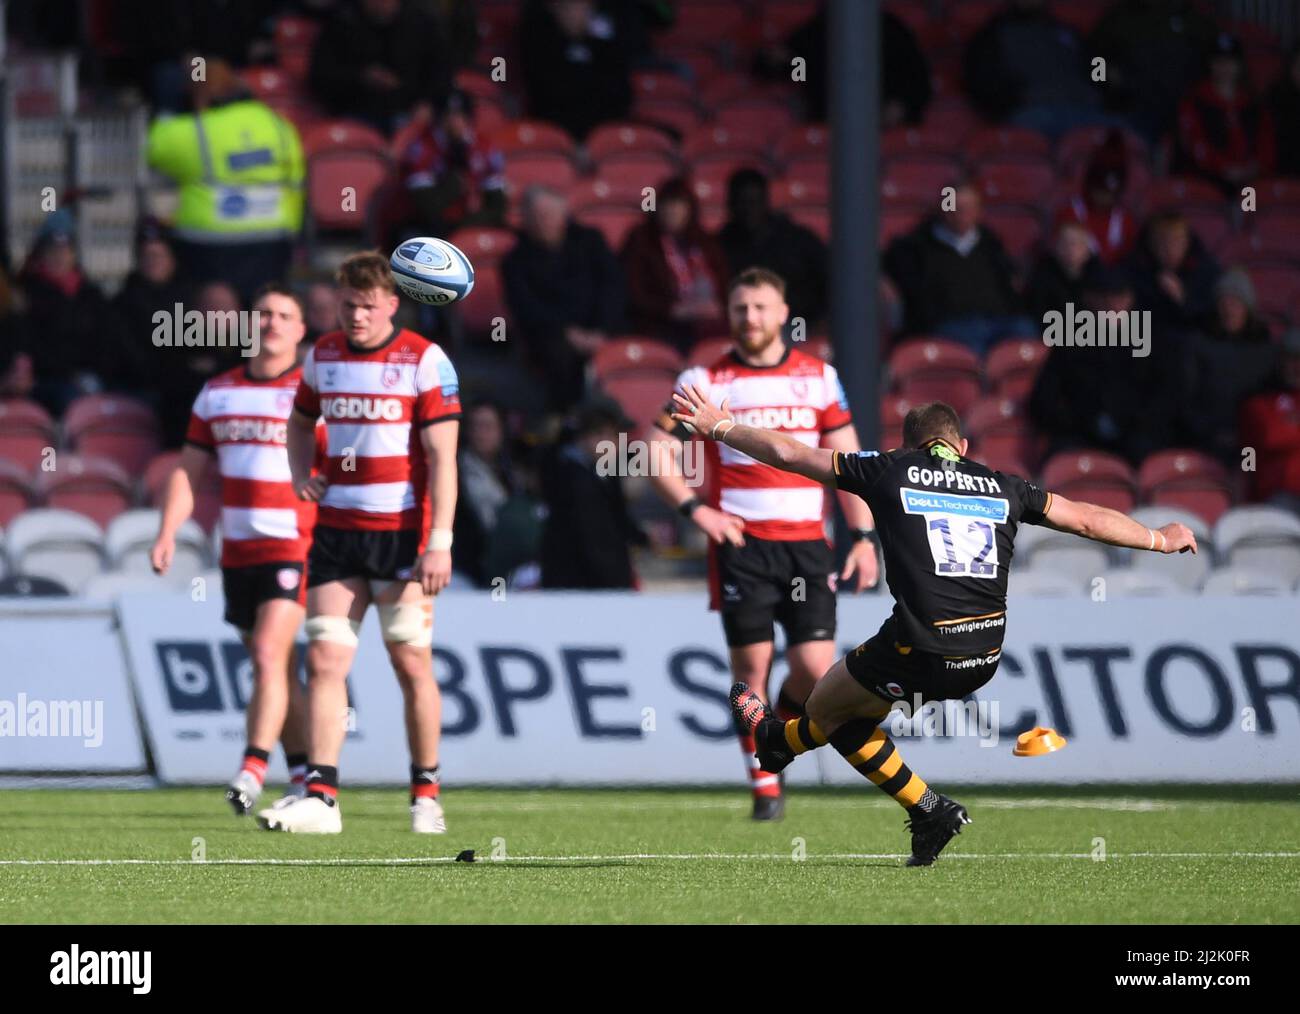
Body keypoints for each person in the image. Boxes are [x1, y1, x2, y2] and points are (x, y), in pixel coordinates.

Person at [668, 393, 1197, 865]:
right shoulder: (1004, 486)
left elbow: (790, 455)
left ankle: (790, 749)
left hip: (921, 646)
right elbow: (1084, 518)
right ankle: (905, 802)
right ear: (962, 445)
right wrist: (1158, 538)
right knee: (848, 716)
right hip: (984, 657)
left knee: (825, 708)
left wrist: (720, 428)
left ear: (909, 445)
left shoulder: (888, 470)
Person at [648, 267, 879, 821]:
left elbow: (848, 464)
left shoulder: (818, 378)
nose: (749, 317)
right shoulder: (707, 379)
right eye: (739, 308)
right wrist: (695, 509)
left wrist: (865, 536)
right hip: (743, 546)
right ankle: (764, 784)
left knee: (813, 670)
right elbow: (655, 447)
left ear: (782, 313)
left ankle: (773, 735)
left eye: (760, 307)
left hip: (808, 546)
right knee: (750, 670)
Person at [264, 251, 461, 834]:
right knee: (324, 659)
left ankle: (425, 793)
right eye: (348, 304)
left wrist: (441, 540)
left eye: (368, 306)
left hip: (401, 536)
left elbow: (443, 458)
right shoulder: (322, 355)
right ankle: (322, 797)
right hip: (336, 533)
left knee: (409, 662)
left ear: (393, 305)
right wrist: (302, 475)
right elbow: (299, 423)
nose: (356, 316)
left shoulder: (425, 361)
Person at [149, 285, 320, 816]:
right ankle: (305, 778)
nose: (271, 322)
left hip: (294, 545)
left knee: (269, 655)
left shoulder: (313, 395)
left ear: (300, 330)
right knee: (276, 666)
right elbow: (190, 471)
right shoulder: (218, 392)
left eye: (283, 314)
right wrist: (167, 531)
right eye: (263, 313)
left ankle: (251, 771)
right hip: (237, 551)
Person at [146, 56, 304, 305]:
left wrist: (174, 105)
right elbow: (296, 183)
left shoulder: (194, 129)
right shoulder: (280, 126)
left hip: (209, 245)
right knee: (263, 314)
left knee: (213, 324)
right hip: (272, 242)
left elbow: (153, 147)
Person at [501, 185, 626, 410]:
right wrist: (568, 332)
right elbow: (526, 308)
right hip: (551, 335)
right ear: (526, 220)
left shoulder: (591, 241)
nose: (543, 222)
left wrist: (601, 330)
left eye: (549, 215)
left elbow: (613, 287)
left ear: (563, 217)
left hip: (601, 328)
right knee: (559, 354)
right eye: (537, 216)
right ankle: (566, 420)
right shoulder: (514, 260)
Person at [882, 179, 1032, 352]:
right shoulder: (917, 246)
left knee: (1026, 331)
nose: (962, 213)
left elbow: (1010, 283)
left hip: (997, 320)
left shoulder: (991, 244)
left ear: (979, 211)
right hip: (948, 323)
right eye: (956, 207)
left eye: (969, 208)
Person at [540, 396, 647, 589]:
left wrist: (642, 537)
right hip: (580, 591)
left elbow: (618, 519)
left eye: (615, 435)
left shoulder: (603, 474)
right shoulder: (573, 479)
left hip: (595, 589)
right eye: (602, 434)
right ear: (584, 437)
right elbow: (595, 543)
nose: (613, 443)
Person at [17, 209, 114, 415]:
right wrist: (71, 374)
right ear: (41, 254)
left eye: (65, 250)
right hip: (48, 383)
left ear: (73, 254)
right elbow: (31, 347)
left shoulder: (91, 294)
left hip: (89, 378)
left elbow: (106, 341)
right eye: (52, 250)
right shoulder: (28, 294)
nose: (59, 256)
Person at [620, 175, 730, 354]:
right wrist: (673, 310)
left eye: (679, 205)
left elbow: (726, 285)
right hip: (663, 325)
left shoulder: (705, 243)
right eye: (667, 205)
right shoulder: (642, 241)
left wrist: (718, 306)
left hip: (710, 322)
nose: (673, 211)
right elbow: (635, 293)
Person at [309, 0, 452, 134]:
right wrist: (361, 77)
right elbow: (320, 76)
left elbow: (442, 74)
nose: (380, 3)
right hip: (357, 115)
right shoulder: (342, 22)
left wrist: (429, 102)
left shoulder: (422, 22)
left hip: (411, 114)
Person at [717, 169, 828, 330]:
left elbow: (829, 279)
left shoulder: (797, 239)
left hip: (798, 321)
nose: (748, 209)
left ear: (765, 202)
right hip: (744, 325)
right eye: (742, 202)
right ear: (731, 205)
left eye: (754, 202)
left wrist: (817, 318)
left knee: (796, 345)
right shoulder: (721, 243)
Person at [392, 90, 506, 240]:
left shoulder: (483, 147)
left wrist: (468, 225)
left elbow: (497, 207)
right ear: (438, 119)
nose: (454, 122)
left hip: (468, 222)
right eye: (448, 116)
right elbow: (426, 207)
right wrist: (455, 184)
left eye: (460, 116)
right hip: (425, 225)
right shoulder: (421, 149)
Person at [1176, 33, 1276, 194]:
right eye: (1219, 61)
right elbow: (1195, 144)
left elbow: (1266, 143)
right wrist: (1224, 168)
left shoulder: (1253, 104)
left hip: (1250, 183)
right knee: (1205, 213)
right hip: (1206, 182)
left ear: (1239, 65)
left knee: (1254, 208)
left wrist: (1254, 167)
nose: (1225, 67)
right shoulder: (1194, 101)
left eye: (1230, 61)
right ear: (1210, 65)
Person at [519, 0, 633, 140]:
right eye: (567, 8)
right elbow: (545, 92)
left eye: (582, 7)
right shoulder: (540, 40)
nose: (575, 14)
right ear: (555, 10)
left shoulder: (607, 45)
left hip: (604, 126)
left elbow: (619, 92)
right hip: (553, 126)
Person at [1052, 130, 1137, 265]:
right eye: (1101, 192)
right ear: (1090, 188)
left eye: (1110, 195)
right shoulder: (1070, 213)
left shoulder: (1125, 220)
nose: (1104, 199)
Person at [1126, 210, 1220, 330]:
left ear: (1187, 242)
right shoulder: (1135, 270)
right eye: (1163, 243)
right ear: (1151, 243)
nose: (1170, 250)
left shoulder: (1206, 271)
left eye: (1177, 241)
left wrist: (1182, 299)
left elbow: (1210, 320)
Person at [1023, 219, 1099, 325]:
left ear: (1087, 249)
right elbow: (1039, 314)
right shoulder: (1043, 274)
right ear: (1055, 247)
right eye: (1064, 243)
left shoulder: (1099, 275)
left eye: (1075, 243)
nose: (1069, 249)